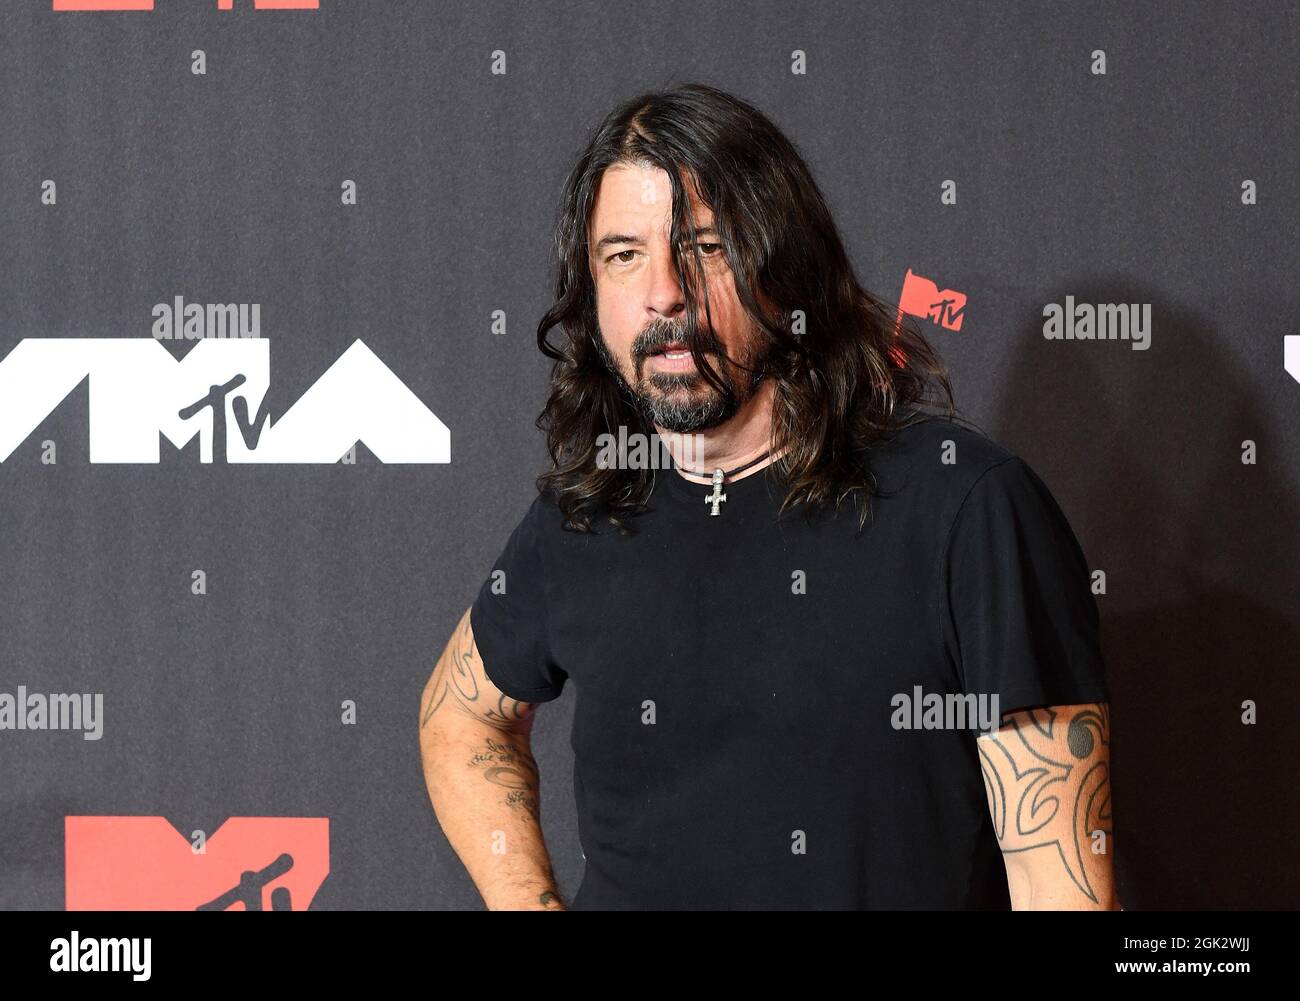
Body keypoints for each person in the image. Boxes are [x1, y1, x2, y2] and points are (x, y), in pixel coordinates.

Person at [418, 82, 1119, 911]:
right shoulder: (588, 510)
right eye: (623, 255)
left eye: (707, 247)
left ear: (787, 269)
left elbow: (1063, 889)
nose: (664, 293)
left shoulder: (964, 506)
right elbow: (459, 720)